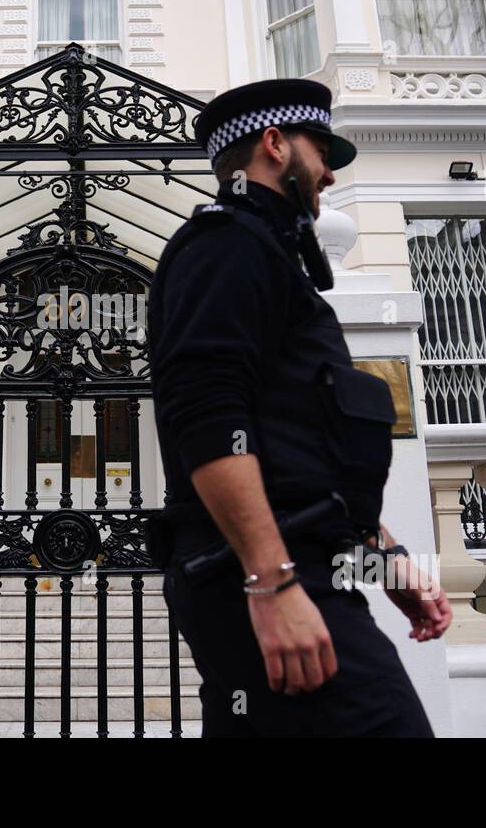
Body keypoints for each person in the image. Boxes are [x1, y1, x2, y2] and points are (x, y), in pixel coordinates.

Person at [147, 78, 451, 737]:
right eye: (321, 149)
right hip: (262, 574)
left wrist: (389, 564)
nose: (331, 173)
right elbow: (205, 415)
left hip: (289, 566)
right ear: (275, 144)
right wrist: (273, 583)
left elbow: (312, 470)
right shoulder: (226, 245)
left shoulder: (269, 257)